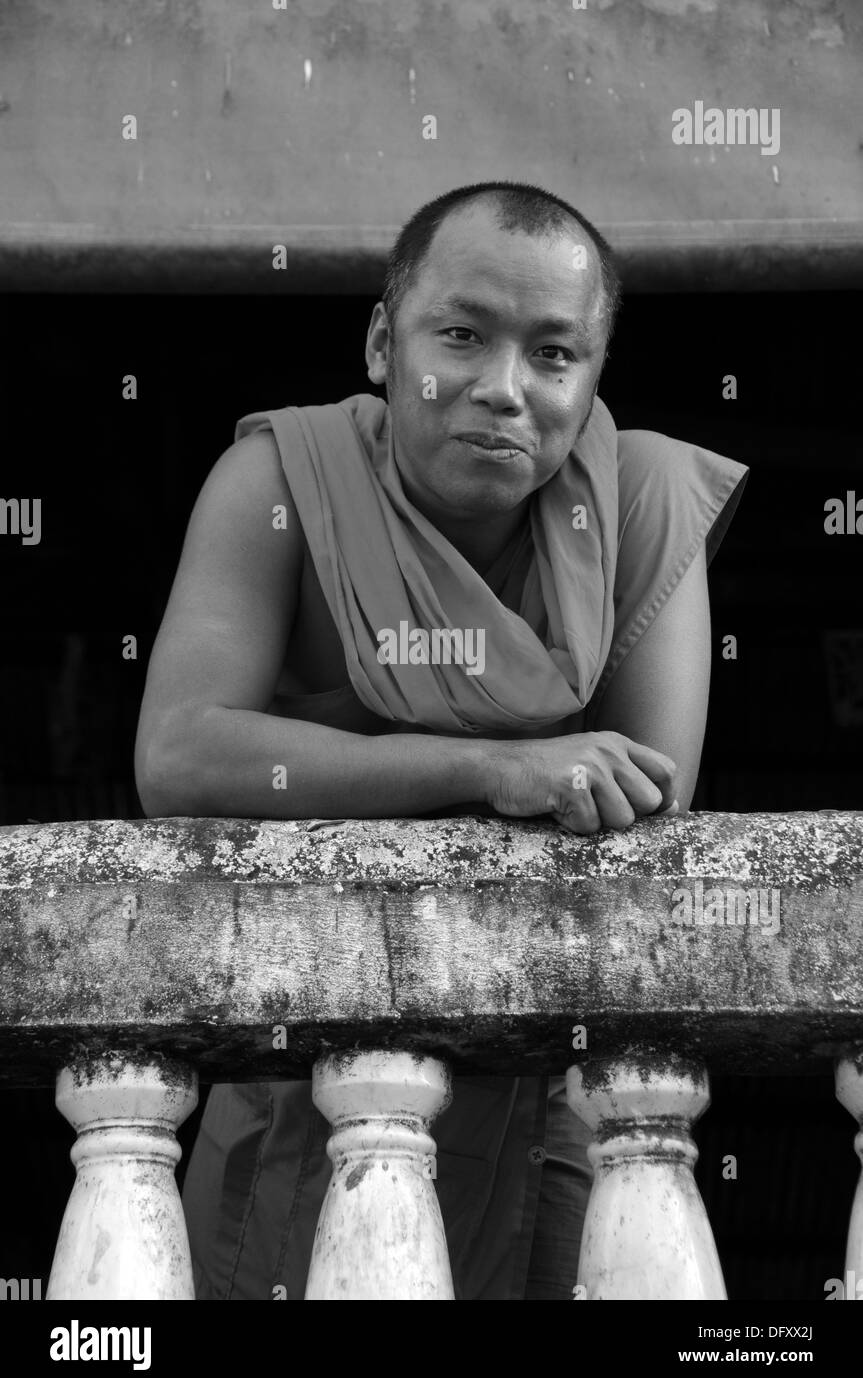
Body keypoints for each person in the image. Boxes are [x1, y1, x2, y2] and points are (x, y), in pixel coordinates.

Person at [134, 180, 748, 1300]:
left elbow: (640, 829)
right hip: (299, 1070)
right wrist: (489, 767)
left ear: (592, 375)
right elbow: (178, 754)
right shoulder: (282, 481)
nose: (502, 390)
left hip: (546, 1088)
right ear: (382, 340)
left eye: (553, 354)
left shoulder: (642, 498)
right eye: (460, 335)